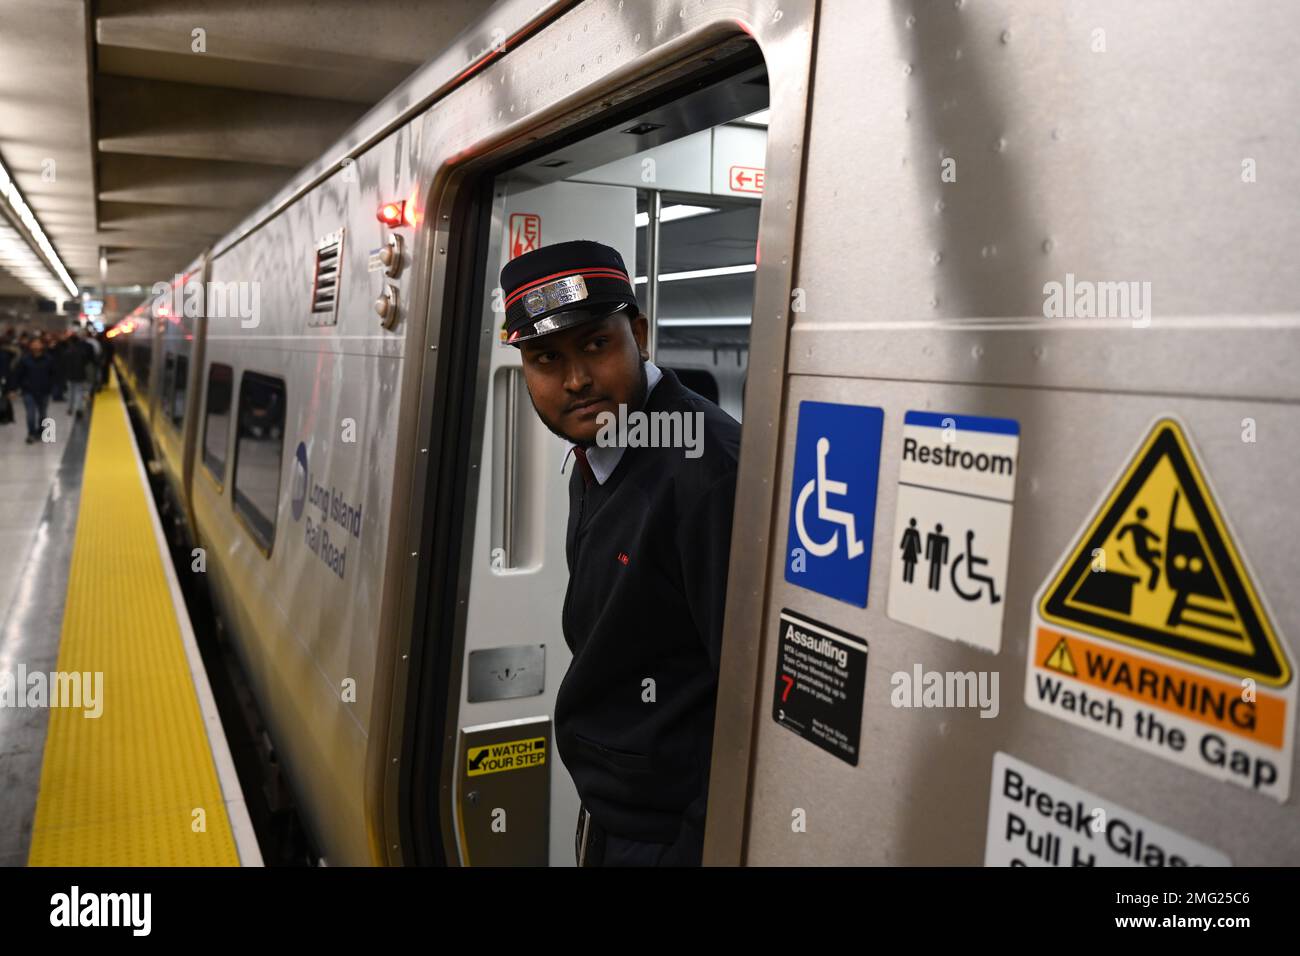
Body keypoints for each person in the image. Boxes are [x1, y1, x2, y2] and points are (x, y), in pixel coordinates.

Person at [500, 239, 741, 867]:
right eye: (547, 357)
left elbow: (748, 704)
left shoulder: (707, 474)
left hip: (670, 836)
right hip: (618, 815)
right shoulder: (602, 450)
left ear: (638, 333)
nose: (575, 379)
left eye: (595, 346)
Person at [8, 336, 58, 443]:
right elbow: (17, 375)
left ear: (42, 345)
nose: (36, 345)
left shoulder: (48, 359)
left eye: (38, 343)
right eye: (34, 343)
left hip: (44, 391)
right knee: (30, 414)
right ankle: (31, 433)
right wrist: (13, 389)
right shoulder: (25, 360)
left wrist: (52, 387)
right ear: (30, 345)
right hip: (28, 391)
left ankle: (40, 431)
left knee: (42, 414)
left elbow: (54, 374)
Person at [60, 329, 94, 419]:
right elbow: (87, 362)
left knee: (70, 392)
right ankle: (79, 409)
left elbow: (63, 364)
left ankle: (70, 408)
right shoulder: (82, 351)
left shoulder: (67, 352)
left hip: (70, 375)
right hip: (80, 375)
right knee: (79, 392)